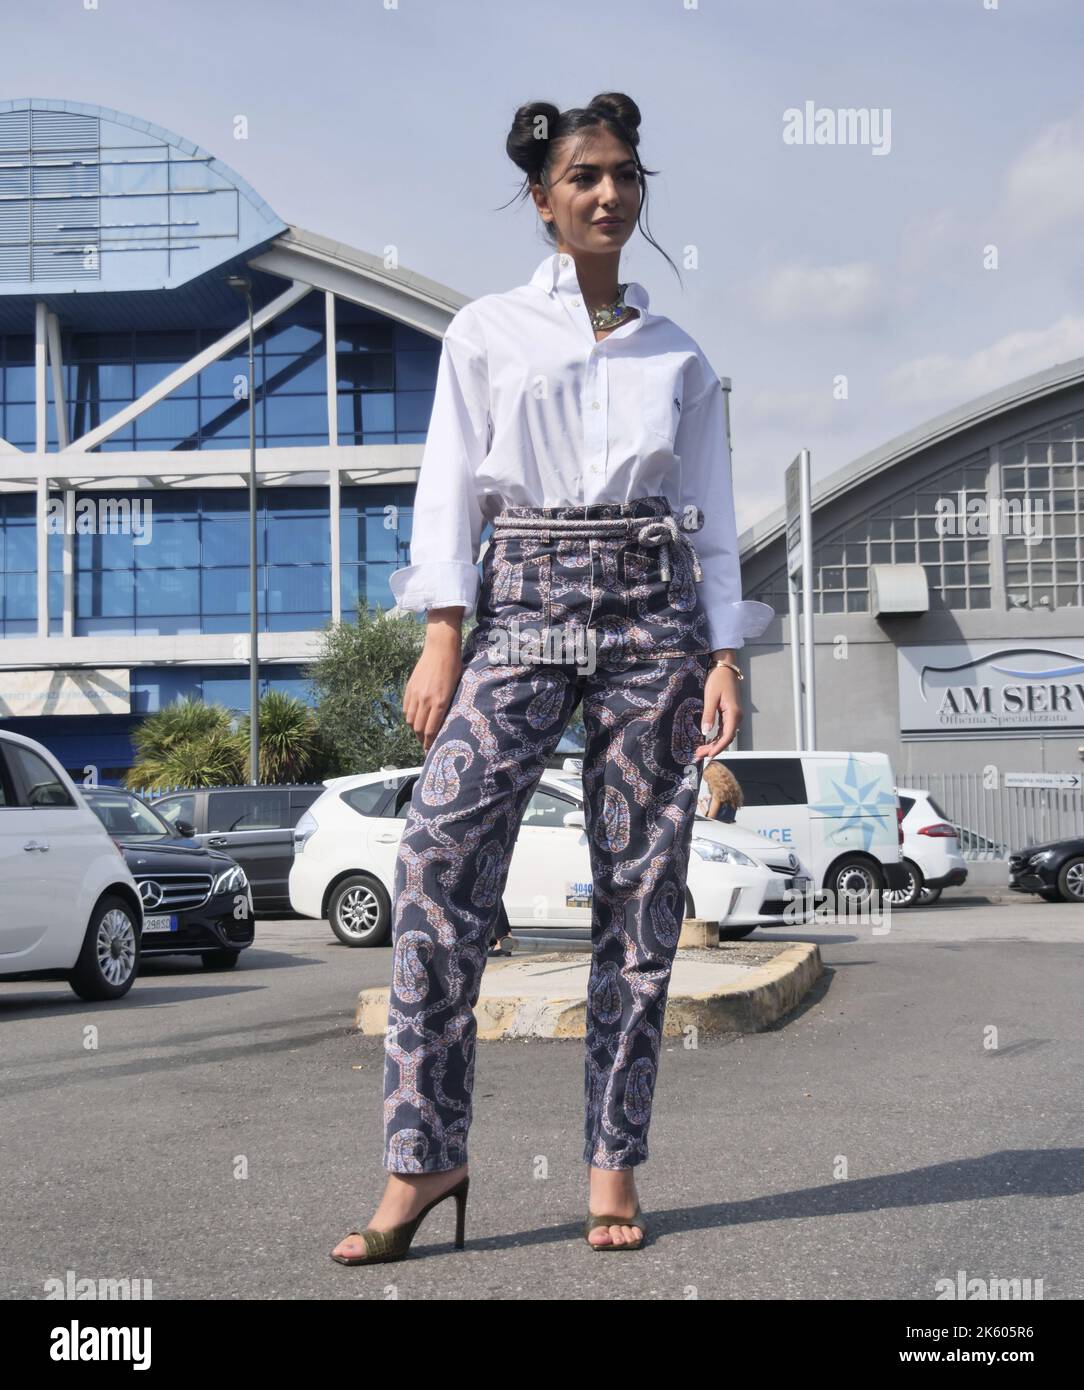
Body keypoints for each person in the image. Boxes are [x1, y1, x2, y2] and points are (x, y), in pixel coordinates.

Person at [331, 91, 772, 1266]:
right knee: (433, 859)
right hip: (519, 603)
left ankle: (611, 1162)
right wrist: (443, 631)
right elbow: (449, 488)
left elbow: (716, 521)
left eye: (625, 174)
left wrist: (725, 652)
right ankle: (423, 1158)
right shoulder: (485, 332)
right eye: (583, 176)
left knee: (641, 893)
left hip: (654, 612)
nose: (608, 193)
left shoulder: (680, 355)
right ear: (542, 198)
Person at [699, 759, 743, 823]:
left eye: (707, 779)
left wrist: (701, 805)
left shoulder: (717, 793)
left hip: (719, 828)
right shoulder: (732, 791)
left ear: (712, 777)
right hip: (729, 826)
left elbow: (711, 818)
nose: (708, 782)